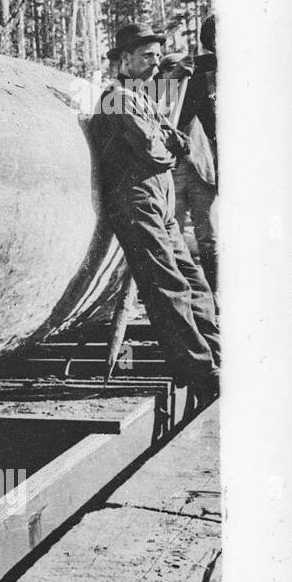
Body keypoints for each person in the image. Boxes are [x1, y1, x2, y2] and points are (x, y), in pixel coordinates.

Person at [88, 23, 220, 395]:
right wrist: (166, 142)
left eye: (157, 55)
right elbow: (156, 150)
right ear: (124, 59)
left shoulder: (142, 97)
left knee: (194, 282)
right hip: (137, 200)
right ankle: (200, 372)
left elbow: (176, 140)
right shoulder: (114, 98)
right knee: (168, 286)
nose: (155, 62)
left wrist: (166, 140)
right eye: (147, 56)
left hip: (160, 199)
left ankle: (219, 355)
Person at [173, 16, 218, 290]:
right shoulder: (200, 74)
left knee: (212, 237)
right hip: (193, 166)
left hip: (218, 167)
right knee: (189, 235)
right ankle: (197, 296)